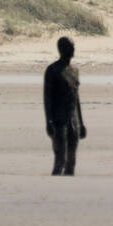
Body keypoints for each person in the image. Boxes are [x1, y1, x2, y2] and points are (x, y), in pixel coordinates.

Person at [43, 36, 86, 176]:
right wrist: (49, 122)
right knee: (60, 159)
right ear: (62, 49)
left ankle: (68, 191)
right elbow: (47, 98)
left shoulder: (74, 71)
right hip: (58, 121)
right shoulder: (53, 70)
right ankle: (54, 188)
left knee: (71, 162)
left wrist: (81, 123)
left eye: (73, 46)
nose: (73, 49)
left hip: (74, 122)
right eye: (70, 47)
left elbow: (76, 98)